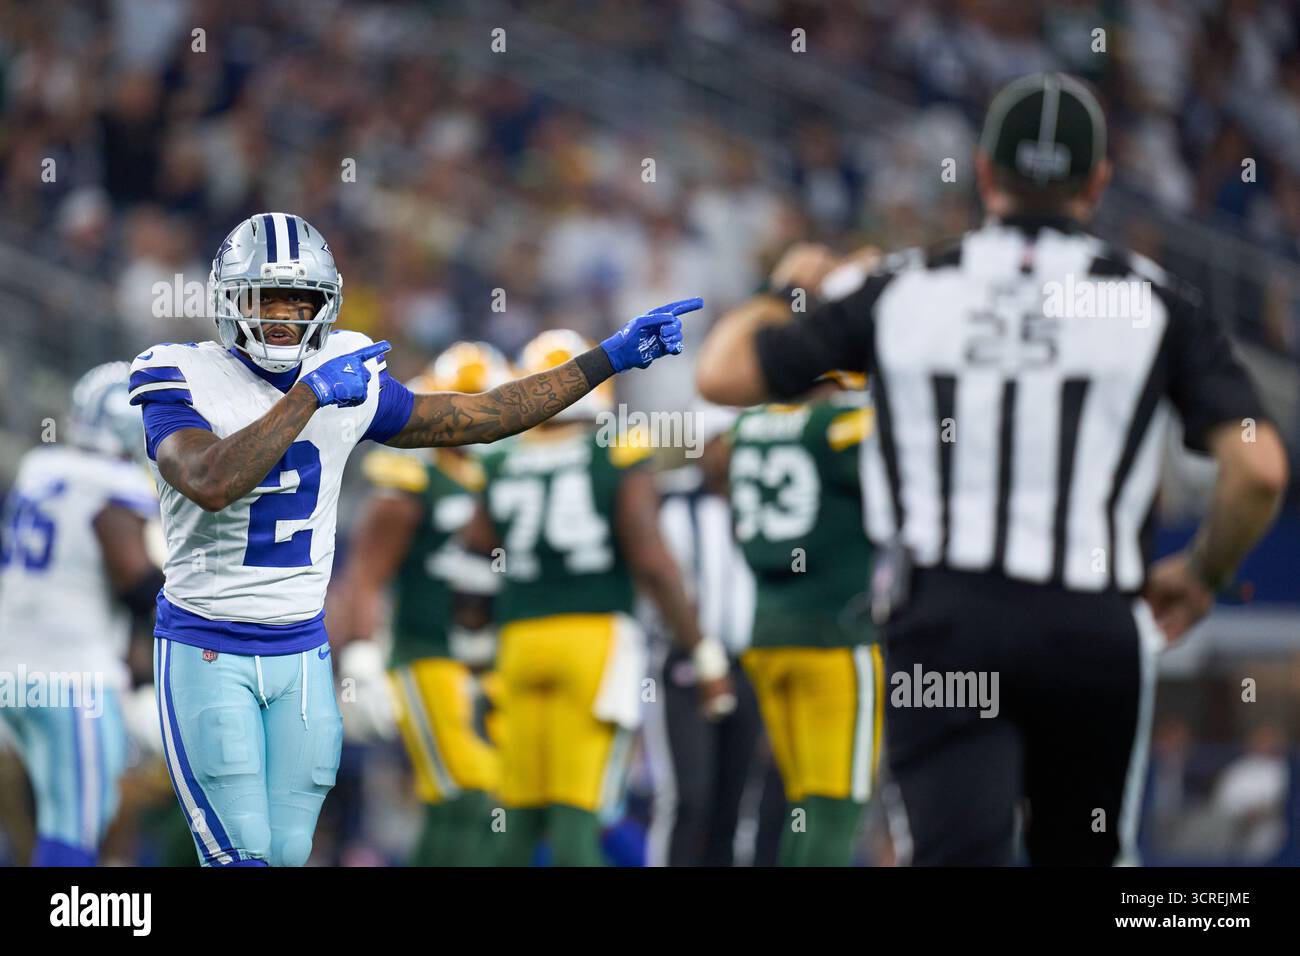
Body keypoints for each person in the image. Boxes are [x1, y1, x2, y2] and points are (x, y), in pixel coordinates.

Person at [695, 73, 1288, 865]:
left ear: (983, 172)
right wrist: (1204, 571)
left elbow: (721, 374)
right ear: (1098, 181)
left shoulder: (905, 288)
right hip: (1089, 626)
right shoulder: (1153, 302)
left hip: (946, 625)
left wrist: (782, 289)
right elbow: (1258, 470)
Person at [129, 211, 700, 866]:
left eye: (300, 300)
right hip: (209, 645)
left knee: (286, 854)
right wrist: (308, 397)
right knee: (241, 857)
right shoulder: (180, 372)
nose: (284, 316)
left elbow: (483, 416)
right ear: (230, 300)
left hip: (301, 651)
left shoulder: (343, 369)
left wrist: (606, 358)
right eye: (266, 298)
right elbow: (210, 479)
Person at [462, 330, 733, 866]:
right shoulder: (615, 450)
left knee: (517, 813)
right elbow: (652, 561)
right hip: (594, 644)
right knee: (579, 812)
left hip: (518, 645)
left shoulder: (499, 460)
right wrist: (701, 650)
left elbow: (472, 563)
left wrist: (473, 658)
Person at [330, 342, 511, 866]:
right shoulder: (414, 478)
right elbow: (366, 572)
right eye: (466, 403)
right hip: (425, 651)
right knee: (467, 793)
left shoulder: (503, 473)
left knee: (482, 798)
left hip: (490, 658)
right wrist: (361, 653)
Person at [0, 362, 162, 865]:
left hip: (13, 673)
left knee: (42, 821)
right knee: (75, 827)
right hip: (73, 681)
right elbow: (133, 577)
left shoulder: (40, 467)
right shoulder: (114, 482)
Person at [728, 375, 882, 866]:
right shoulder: (842, 424)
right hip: (834, 636)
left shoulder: (749, 425)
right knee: (835, 810)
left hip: (767, 633)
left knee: (804, 805)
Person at [643, 404, 768, 867]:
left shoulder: (764, 505)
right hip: (686, 667)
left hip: (749, 665)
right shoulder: (676, 507)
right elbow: (661, 586)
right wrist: (703, 654)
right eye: (722, 441)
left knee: (736, 802)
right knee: (687, 798)